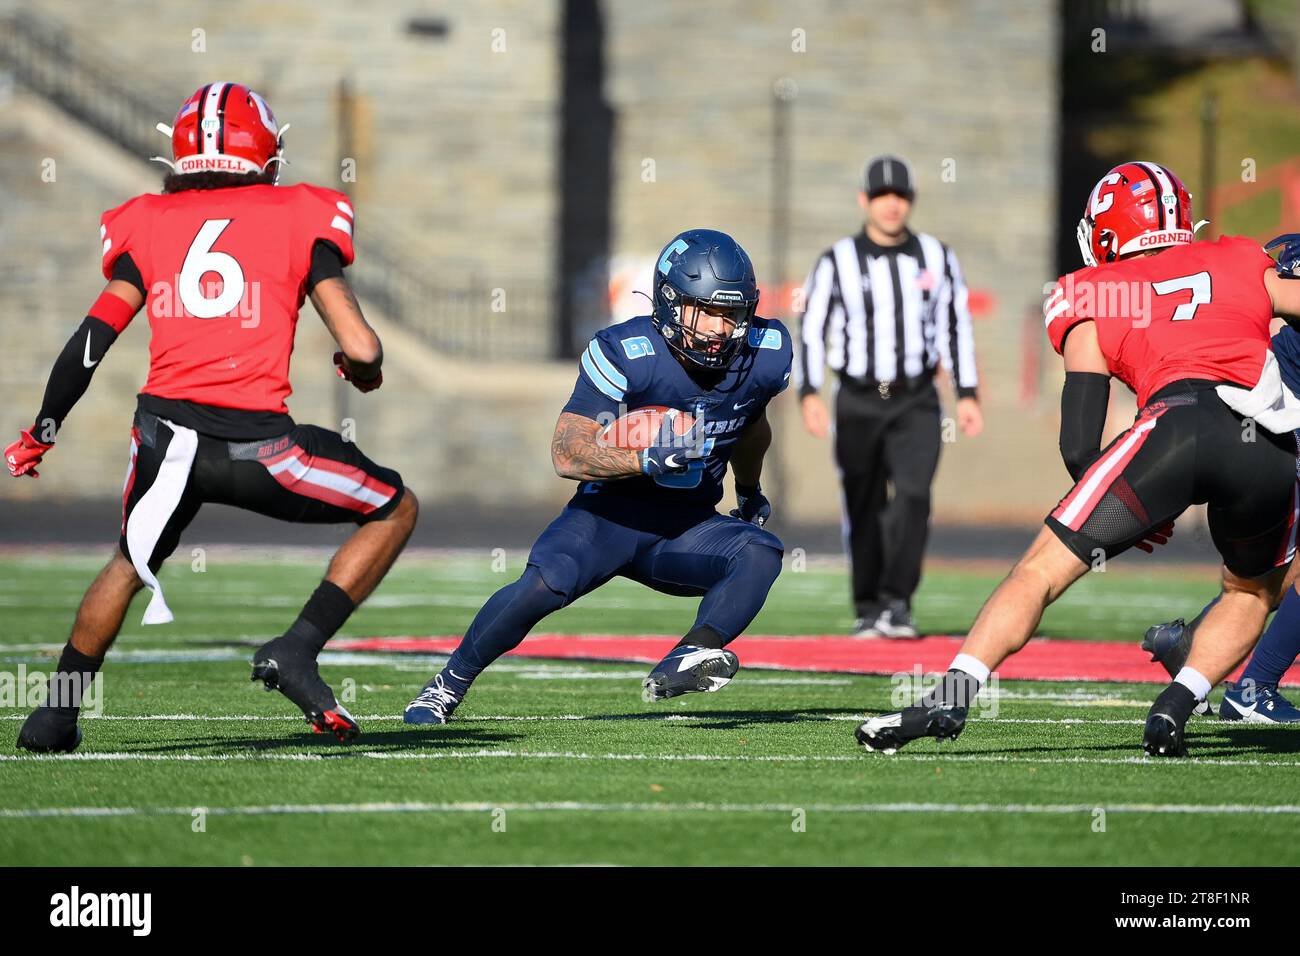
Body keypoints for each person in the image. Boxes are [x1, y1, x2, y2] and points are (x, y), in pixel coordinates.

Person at [5, 82, 418, 751]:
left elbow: (88, 344)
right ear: (267, 152)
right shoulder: (302, 211)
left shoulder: (146, 221)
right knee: (395, 508)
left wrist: (40, 433)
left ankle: (53, 716)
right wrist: (362, 373)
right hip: (261, 453)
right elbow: (362, 346)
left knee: (128, 562)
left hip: (165, 441)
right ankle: (298, 648)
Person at [856, 162, 1300, 758]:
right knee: (1251, 593)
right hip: (1267, 443)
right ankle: (1175, 706)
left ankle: (952, 696)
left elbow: (1078, 443)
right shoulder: (1241, 256)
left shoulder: (1091, 291)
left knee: (1037, 573)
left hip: (1172, 427)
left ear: (1108, 232)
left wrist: (1134, 508)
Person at [402, 229, 790, 724]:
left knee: (761, 551)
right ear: (672, 301)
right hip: (609, 515)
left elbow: (751, 422)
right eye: (707, 311)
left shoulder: (762, 353)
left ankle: (691, 655)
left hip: (686, 526)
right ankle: (447, 684)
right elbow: (567, 453)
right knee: (544, 585)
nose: (720, 328)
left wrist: (750, 489)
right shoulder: (627, 350)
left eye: (732, 314)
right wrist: (645, 459)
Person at [796, 155, 982, 638]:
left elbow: (955, 323)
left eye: (899, 196)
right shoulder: (837, 259)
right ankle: (867, 604)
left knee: (914, 497)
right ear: (865, 201)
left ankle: (898, 602)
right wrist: (809, 391)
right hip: (857, 397)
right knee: (864, 501)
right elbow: (813, 327)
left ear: (910, 201)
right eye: (882, 196)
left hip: (915, 398)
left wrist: (966, 392)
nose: (891, 205)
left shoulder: (936, 257)